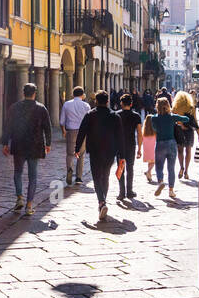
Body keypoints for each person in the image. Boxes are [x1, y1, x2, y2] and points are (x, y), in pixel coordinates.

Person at [2, 82, 52, 218]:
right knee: (33, 176)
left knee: (18, 172)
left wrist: (5, 143)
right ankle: (29, 205)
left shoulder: (14, 107)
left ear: (23, 93)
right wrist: (48, 143)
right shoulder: (41, 109)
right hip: (35, 145)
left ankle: (19, 197)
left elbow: (8, 126)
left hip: (19, 144)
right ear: (35, 93)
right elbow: (47, 128)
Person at [75, 91, 127, 222]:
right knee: (105, 175)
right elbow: (120, 137)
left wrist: (77, 148)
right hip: (110, 151)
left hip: (95, 150)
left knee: (96, 177)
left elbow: (82, 131)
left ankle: (101, 202)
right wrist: (122, 155)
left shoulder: (90, 115)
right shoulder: (115, 116)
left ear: (96, 101)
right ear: (108, 101)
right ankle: (103, 200)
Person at [149, 96, 192, 200]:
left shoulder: (154, 118)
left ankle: (160, 182)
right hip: (171, 143)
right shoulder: (172, 116)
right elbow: (187, 119)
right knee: (171, 168)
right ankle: (171, 190)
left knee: (159, 166)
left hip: (160, 144)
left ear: (157, 106)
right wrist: (178, 121)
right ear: (168, 105)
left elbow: (154, 128)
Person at [58, 86, 90, 185]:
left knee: (70, 154)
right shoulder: (86, 106)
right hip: (83, 131)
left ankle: (69, 170)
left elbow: (62, 121)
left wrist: (63, 131)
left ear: (73, 94)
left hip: (71, 131)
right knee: (81, 154)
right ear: (82, 95)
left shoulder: (67, 104)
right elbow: (89, 121)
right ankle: (79, 177)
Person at [115, 93, 144, 201]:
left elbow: (113, 132)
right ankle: (129, 191)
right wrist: (140, 148)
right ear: (131, 104)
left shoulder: (117, 115)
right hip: (131, 145)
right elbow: (140, 133)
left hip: (119, 145)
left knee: (120, 167)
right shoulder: (136, 116)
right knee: (130, 168)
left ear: (121, 103)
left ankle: (121, 192)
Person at [171, 90, 199, 180]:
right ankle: (186, 171)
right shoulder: (191, 107)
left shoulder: (175, 107)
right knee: (188, 151)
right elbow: (194, 120)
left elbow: (173, 119)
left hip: (179, 130)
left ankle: (181, 167)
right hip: (189, 130)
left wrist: (180, 124)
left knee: (180, 151)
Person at [142, 113, 157, 183]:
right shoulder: (154, 131)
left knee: (149, 162)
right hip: (153, 148)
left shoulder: (144, 131)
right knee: (154, 161)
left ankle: (149, 176)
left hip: (146, 148)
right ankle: (148, 171)